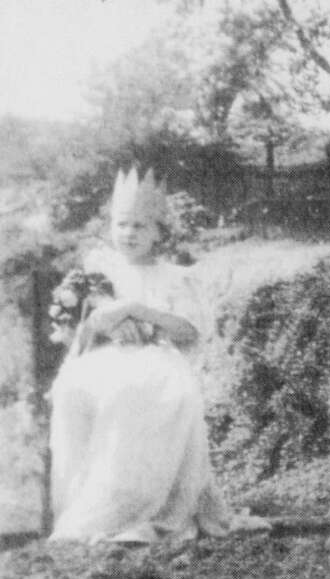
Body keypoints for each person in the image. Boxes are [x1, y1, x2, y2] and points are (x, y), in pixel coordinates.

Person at [48, 168, 269, 543]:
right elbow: (80, 333)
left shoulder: (175, 277)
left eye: (140, 226)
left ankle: (143, 507)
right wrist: (106, 319)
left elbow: (189, 330)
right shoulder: (98, 272)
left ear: (159, 233)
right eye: (122, 225)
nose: (129, 234)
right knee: (76, 393)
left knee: (148, 394)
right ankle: (97, 507)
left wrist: (138, 308)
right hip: (103, 358)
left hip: (156, 358)